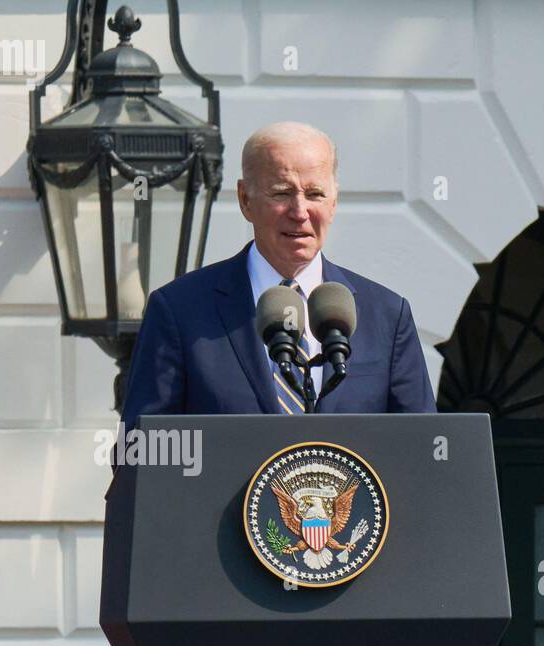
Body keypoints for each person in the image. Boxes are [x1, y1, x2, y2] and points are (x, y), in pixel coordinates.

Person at [122, 121, 435, 425]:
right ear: (246, 199)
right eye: (282, 193)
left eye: (314, 194)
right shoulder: (180, 311)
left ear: (334, 201)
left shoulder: (387, 316)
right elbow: (142, 452)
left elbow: (422, 453)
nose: (300, 212)